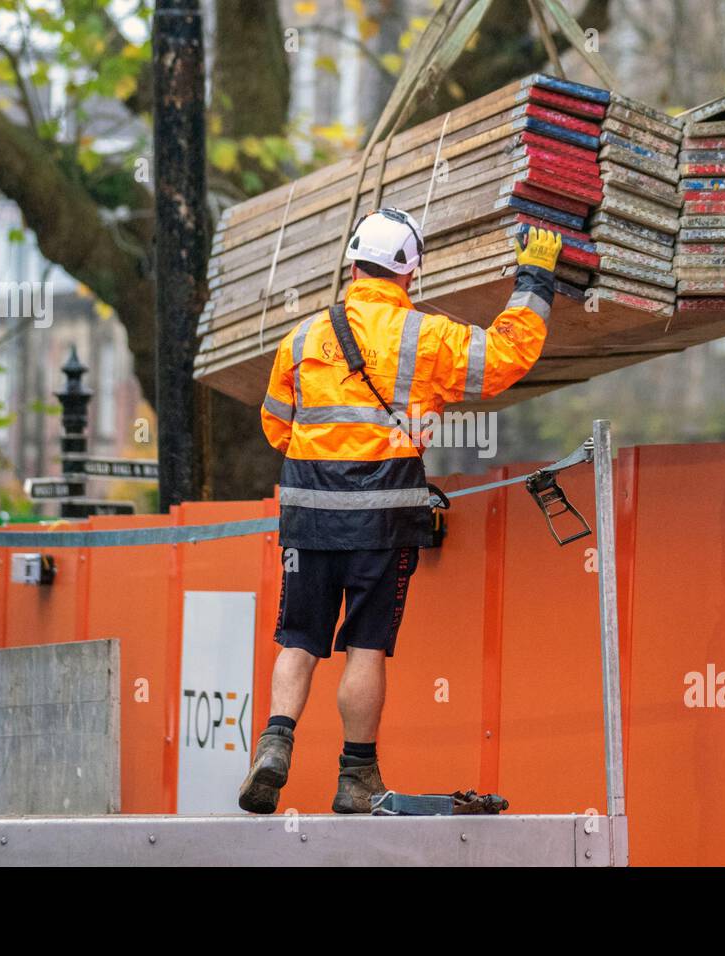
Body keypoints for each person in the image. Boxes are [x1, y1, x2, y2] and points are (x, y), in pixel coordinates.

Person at [239, 207, 563, 814]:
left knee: (300, 640)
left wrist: (325, 458)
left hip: (307, 512)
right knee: (364, 646)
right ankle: (356, 775)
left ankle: (275, 742)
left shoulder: (303, 338)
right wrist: (535, 280)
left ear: (354, 262)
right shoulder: (426, 336)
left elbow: (276, 427)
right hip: (383, 516)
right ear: (411, 271)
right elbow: (504, 359)